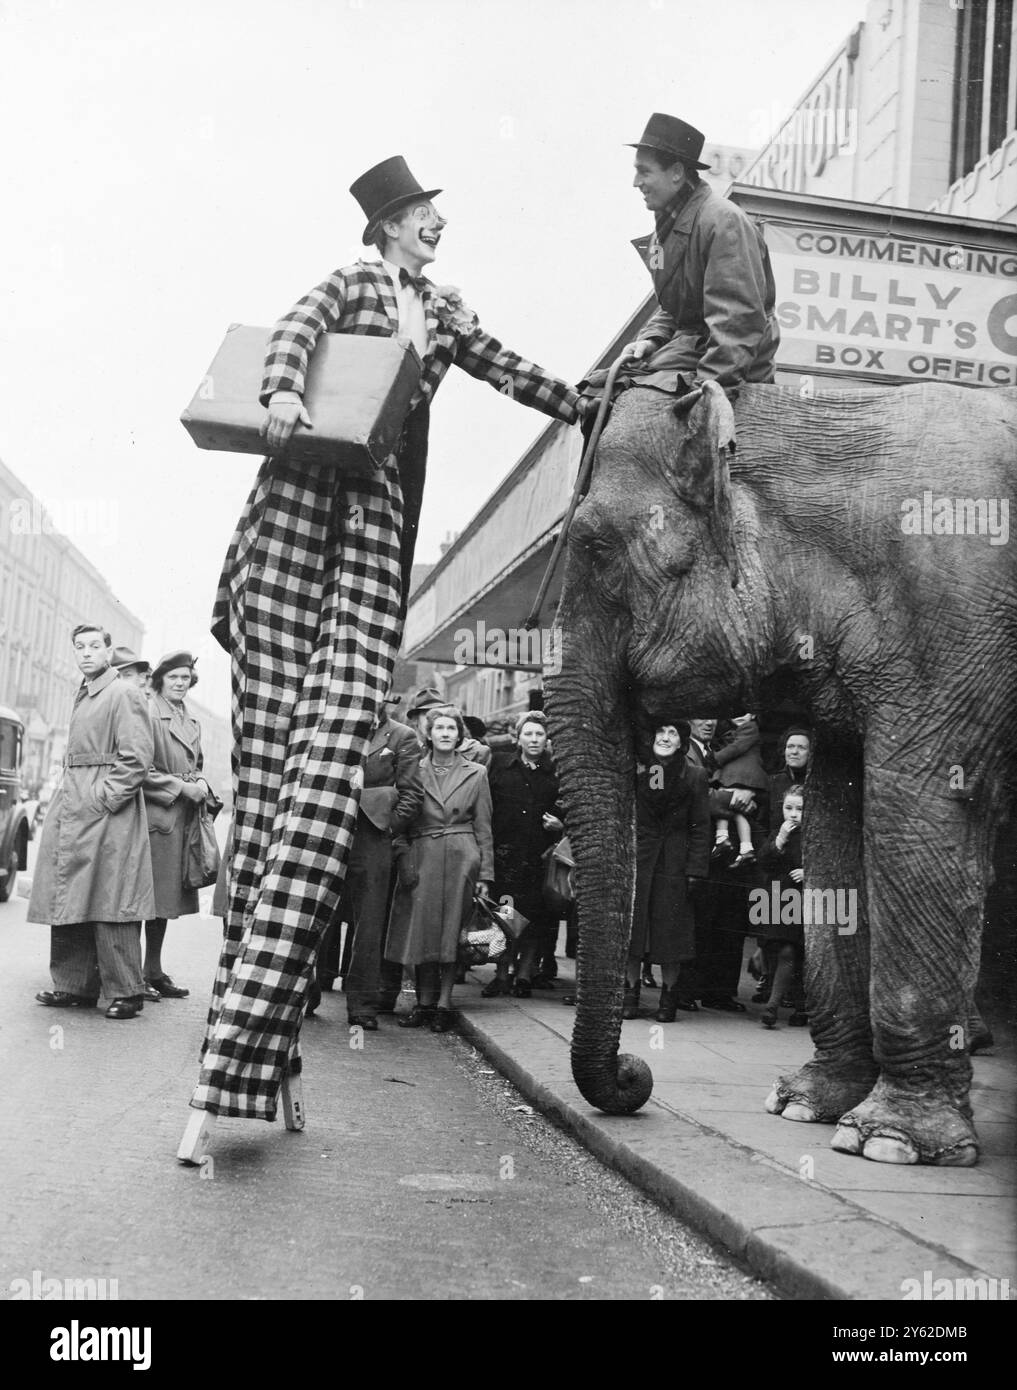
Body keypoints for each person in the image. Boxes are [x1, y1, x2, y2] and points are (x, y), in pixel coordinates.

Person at [194, 156, 584, 1122]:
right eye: (420, 215)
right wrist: (283, 395)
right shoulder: (352, 281)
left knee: (320, 768)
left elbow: (499, 363)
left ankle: (252, 1038)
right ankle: (246, 1036)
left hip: (376, 507)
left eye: (435, 215)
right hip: (302, 493)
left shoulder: (443, 307)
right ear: (387, 226)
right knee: (275, 747)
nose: (434, 227)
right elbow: (290, 335)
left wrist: (579, 400)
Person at [29, 624, 155, 1020]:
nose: (86, 653)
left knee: (110, 898)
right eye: (79, 647)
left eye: (94, 646)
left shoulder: (124, 693)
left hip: (103, 809)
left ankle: (127, 991)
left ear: (107, 651)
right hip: (73, 801)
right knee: (68, 893)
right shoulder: (83, 692)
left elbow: (136, 757)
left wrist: (105, 798)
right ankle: (74, 985)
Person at [621, 113, 779, 392]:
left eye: (644, 171)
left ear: (677, 173)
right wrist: (652, 339)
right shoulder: (661, 235)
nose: (636, 182)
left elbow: (737, 322)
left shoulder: (723, 222)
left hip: (734, 367)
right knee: (607, 386)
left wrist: (706, 390)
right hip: (693, 351)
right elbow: (672, 307)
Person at [316, 697, 423, 1029]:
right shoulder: (333, 727)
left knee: (370, 923)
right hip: (330, 832)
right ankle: (306, 993)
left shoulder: (402, 736)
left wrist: (388, 826)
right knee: (317, 912)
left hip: (373, 837)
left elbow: (412, 793)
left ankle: (362, 1005)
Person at [386, 709, 493, 1032]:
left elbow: (484, 825)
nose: (445, 733)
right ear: (428, 734)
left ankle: (445, 1004)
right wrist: (403, 856)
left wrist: (486, 874)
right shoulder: (414, 769)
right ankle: (424, 1003)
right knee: (422, 932)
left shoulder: (476, 772)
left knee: (452, 933)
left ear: (459, 735)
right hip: (423, 854)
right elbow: (400, 818)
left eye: (451, 728)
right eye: (439, 728)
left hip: (462, 855)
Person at [142, 652, 218, 1002]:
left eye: (185, 678)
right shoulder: (147, 712)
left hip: (180, 818)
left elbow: (195, 762)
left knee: (166, 902)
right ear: (160, 679)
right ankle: (135, 973)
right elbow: (139, 769)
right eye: (172, 677)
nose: (179, 683)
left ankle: (153, 970)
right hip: (154, 816)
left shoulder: (188, 718)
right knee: (145, 900)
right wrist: (182, 787)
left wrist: (200, 780)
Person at [624, 723, 711, 1022]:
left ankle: (667, 998)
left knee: (670, 934)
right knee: (634, 931)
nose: (664, 737)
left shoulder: (695, 775)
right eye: (660, 731)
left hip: (675, 862)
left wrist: (696, 869)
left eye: (672, 733)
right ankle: (630, 995)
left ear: (682, 742)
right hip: (640, 858)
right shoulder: (636, 772)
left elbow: (701, 826)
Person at [484, 711, 564, 998]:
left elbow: (567, 813)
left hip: (538, 859)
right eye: (528, 734)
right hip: (505, 857)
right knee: (505, 917)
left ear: (547, 739)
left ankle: (524, 975)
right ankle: (502, 974)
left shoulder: (555, 774)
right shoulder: (501, 767)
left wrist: (559, 825)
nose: (534, 739)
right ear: (518, 738)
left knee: (534, 919)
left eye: (539, 734)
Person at [684, 717, 755, 1012]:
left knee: (729, 921)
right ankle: (687, 990)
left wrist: (751, 796)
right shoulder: (684, 752)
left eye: (712, 717)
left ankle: (720, 992)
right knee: (697, 922)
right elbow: (694, 793)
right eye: (701, 717)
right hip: (699, 850)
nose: (708, 722)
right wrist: (734, 798)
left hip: (729, 854)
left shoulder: (724, 750)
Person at [757, 785, 808, 1027]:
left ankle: (785, 1006)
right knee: (785, 951)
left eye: (799, 809)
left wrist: (809, 872)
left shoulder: (811, 834)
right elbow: (765, 861)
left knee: (797, 953)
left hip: (804, 898)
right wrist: (779, 839)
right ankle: (778, 1005)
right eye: (789, 808)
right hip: (780, 898)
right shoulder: (780, 832)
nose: (793, 814)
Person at [712, 713, 769, 866]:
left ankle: (722, 837)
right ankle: (746, 848)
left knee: (724, 801)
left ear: (754, 714)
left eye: (743, 712)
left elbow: (737, 747)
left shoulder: (750, 728)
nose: (738, 715)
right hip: (737, 774)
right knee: (736, 811)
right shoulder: (731, 732)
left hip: (741, 774)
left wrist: (715, 758)